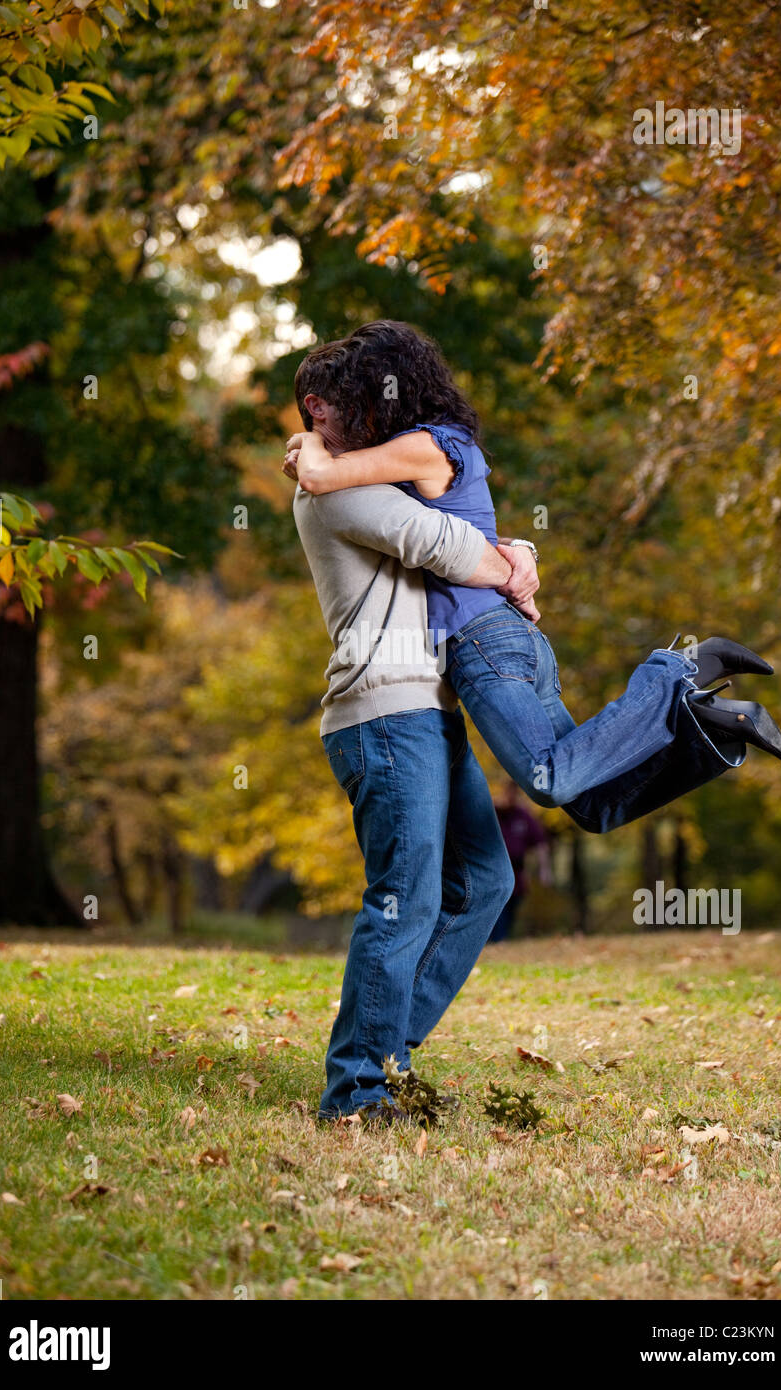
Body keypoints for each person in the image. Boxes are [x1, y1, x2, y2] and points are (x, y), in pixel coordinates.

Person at [285, 320, 781, 841]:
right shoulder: (442, 444)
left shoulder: (421, 446)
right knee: (593, 801)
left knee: (549, 778)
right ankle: (718, 724)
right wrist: (521, 549)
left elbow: (321, 478)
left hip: (477, 638)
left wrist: (307, 440)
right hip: (509, 635)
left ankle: (676, 668)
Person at [289, 351, 543, 1120]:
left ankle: (387, 1053)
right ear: (315, 410)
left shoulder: (363, 476)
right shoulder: (332, 494)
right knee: (404, 898)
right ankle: (357, 1092)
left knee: (486, 882)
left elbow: (451, 524)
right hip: (384, 711)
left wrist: (516, 550)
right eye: (341, 405)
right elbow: (441, 545)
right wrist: (511, 561)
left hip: (426, 709)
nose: (367, 415)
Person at [490, 781, 553, 943]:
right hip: (495, 871)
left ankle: (500, 939)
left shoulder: (523, 815)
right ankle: (497, 940)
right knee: (498, 906)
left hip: (517, 871)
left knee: (512, 906)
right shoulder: (493, 812)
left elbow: (540, 843)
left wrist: (544, 870)